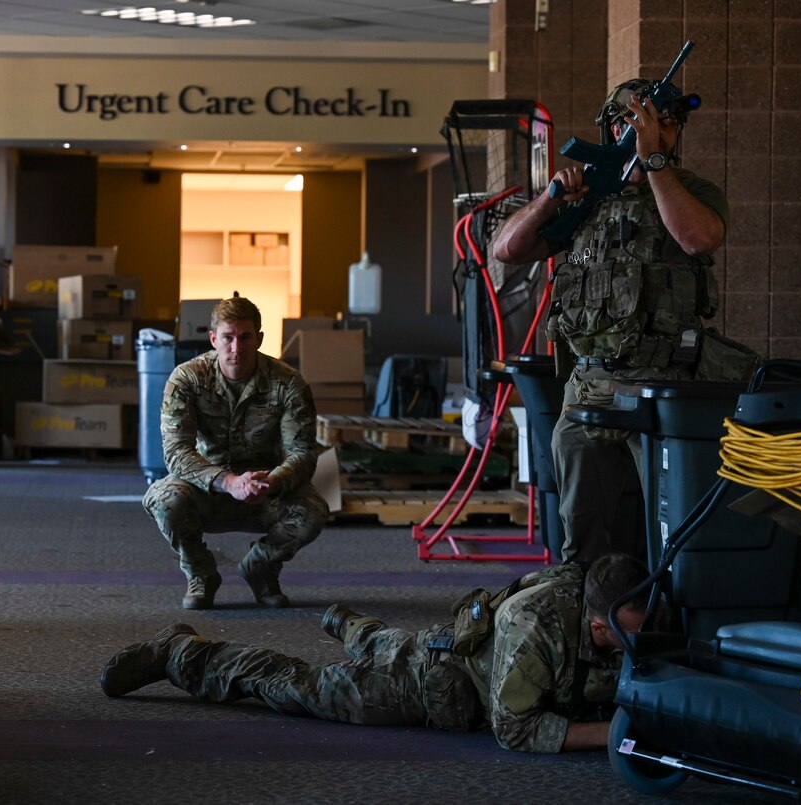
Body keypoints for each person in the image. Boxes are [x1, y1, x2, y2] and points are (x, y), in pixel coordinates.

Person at [491, 79, 756, 564]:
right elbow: (507, 250)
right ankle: (587, 620)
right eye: (641, 121)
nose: (658, 131)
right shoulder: (587, 196)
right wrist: (552, 197)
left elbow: (698, 239)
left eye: (667, 124)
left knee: (673, 523)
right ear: (615, 127)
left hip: (666, 382)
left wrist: (652, 162)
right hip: (591, 383)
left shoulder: (689, 190)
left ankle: (666, 622)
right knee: (582, 530)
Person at [101, 553, 650, 753]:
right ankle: (181, 653)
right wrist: (613, 733)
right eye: (623, 640)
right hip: (427, 687)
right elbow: (516, 731)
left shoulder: (610, 592)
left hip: (452, 648)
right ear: (597, 624)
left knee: (402, 645)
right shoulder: (537, 630)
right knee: (302, 689)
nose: (636, 648)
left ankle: (354, 627)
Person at [142, 296, 328, 610]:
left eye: (245, 338)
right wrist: (229, 482)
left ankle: (261, 568)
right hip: (208, 487)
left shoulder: (288, 383)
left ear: (259, 339)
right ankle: (201, 573)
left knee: (313, 511)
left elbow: (303, 451)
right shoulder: (187, 379)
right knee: (164, 498)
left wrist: (273, 481)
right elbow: (176, 453)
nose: (236, 348)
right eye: (227, 338)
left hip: (265, 489)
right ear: (214, 339)